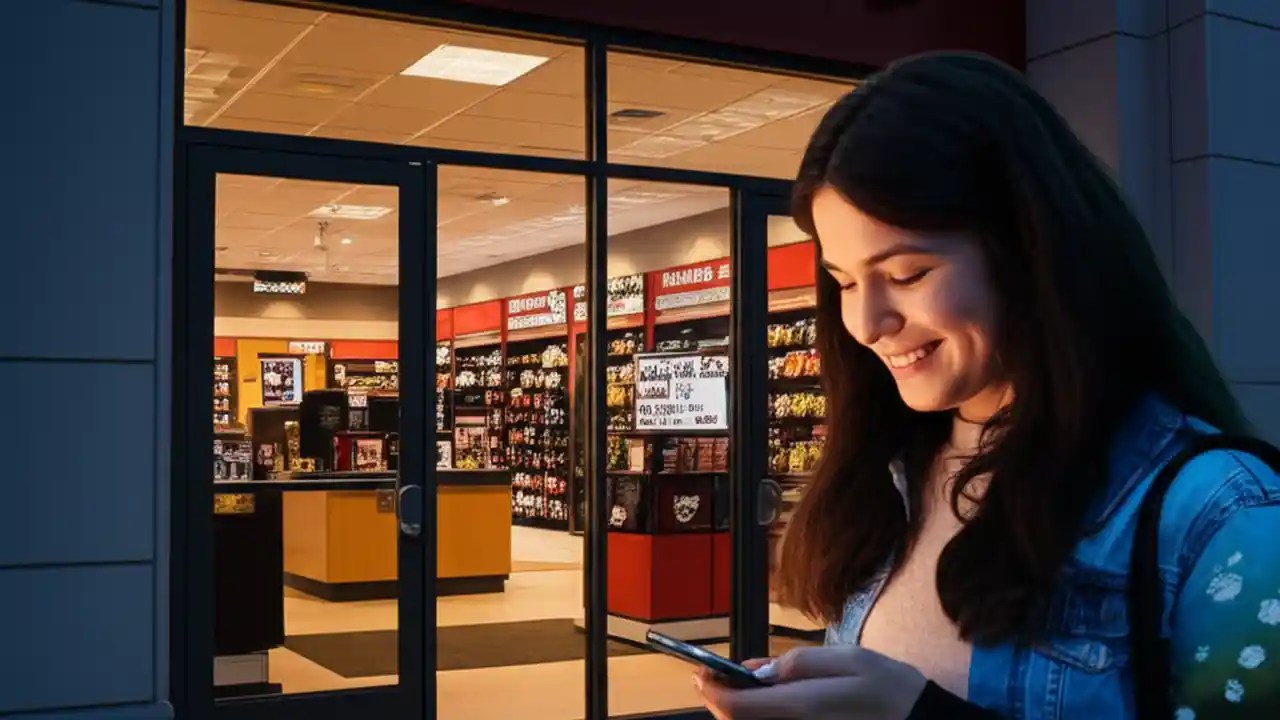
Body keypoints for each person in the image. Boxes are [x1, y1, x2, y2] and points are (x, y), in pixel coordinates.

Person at [695, 51, 1280, 718]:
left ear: (1029, 248)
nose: (867, 322)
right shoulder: (889, 479)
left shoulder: (1225, 514)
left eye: (909, 273)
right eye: (845, 281)